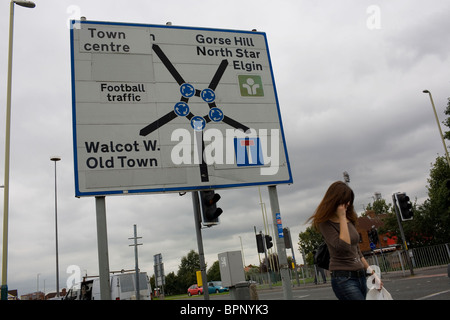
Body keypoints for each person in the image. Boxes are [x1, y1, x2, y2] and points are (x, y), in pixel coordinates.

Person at [308, 181, 382, 300]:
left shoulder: (349, 219)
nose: (348, 204)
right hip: (343, 278)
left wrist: (373, 274)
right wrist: (342, 217)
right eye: (345, 201)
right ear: (335, 201)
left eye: (349, 201)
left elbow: (357, 251)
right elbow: (343, 246)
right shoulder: (325, 223)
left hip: (360, 276)